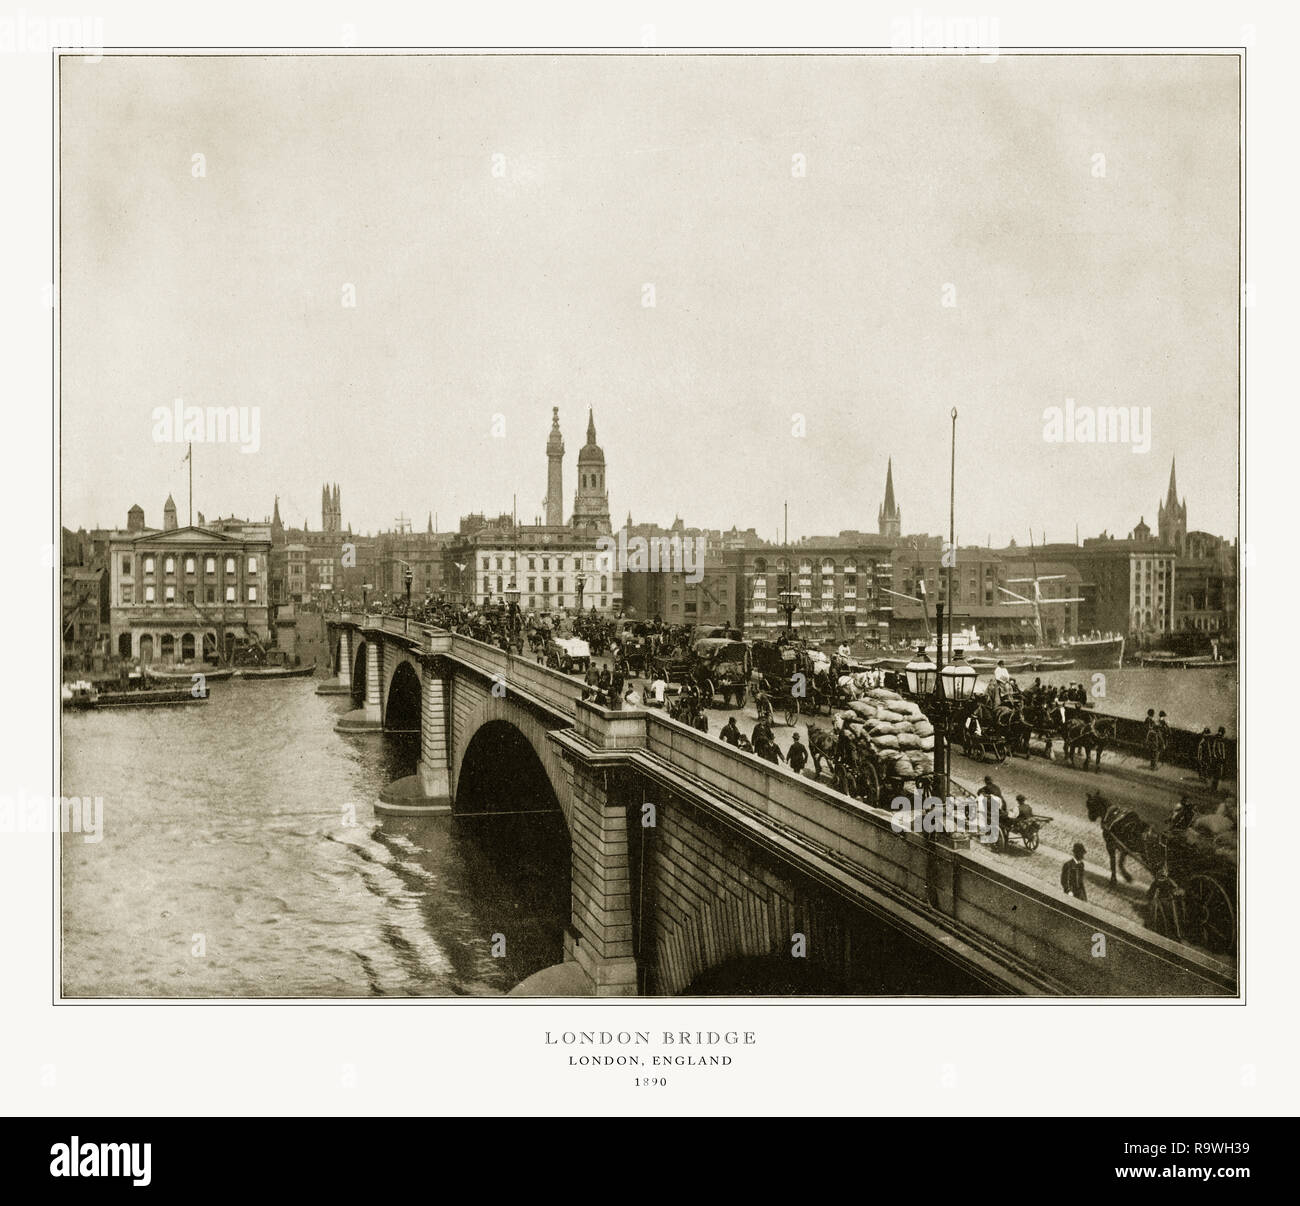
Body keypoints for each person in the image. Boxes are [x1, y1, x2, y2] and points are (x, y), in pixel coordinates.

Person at [1209, 726, 1228, 792]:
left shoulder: (1219, 738)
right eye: (1223, 732)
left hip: (1219, 759)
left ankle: (1213, 788)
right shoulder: (1218, 739)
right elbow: (1215, 749)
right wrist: (1218, 757)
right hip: (1217, 759)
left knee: (1217, 774)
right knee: (1216, 774)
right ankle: (1213, 788)